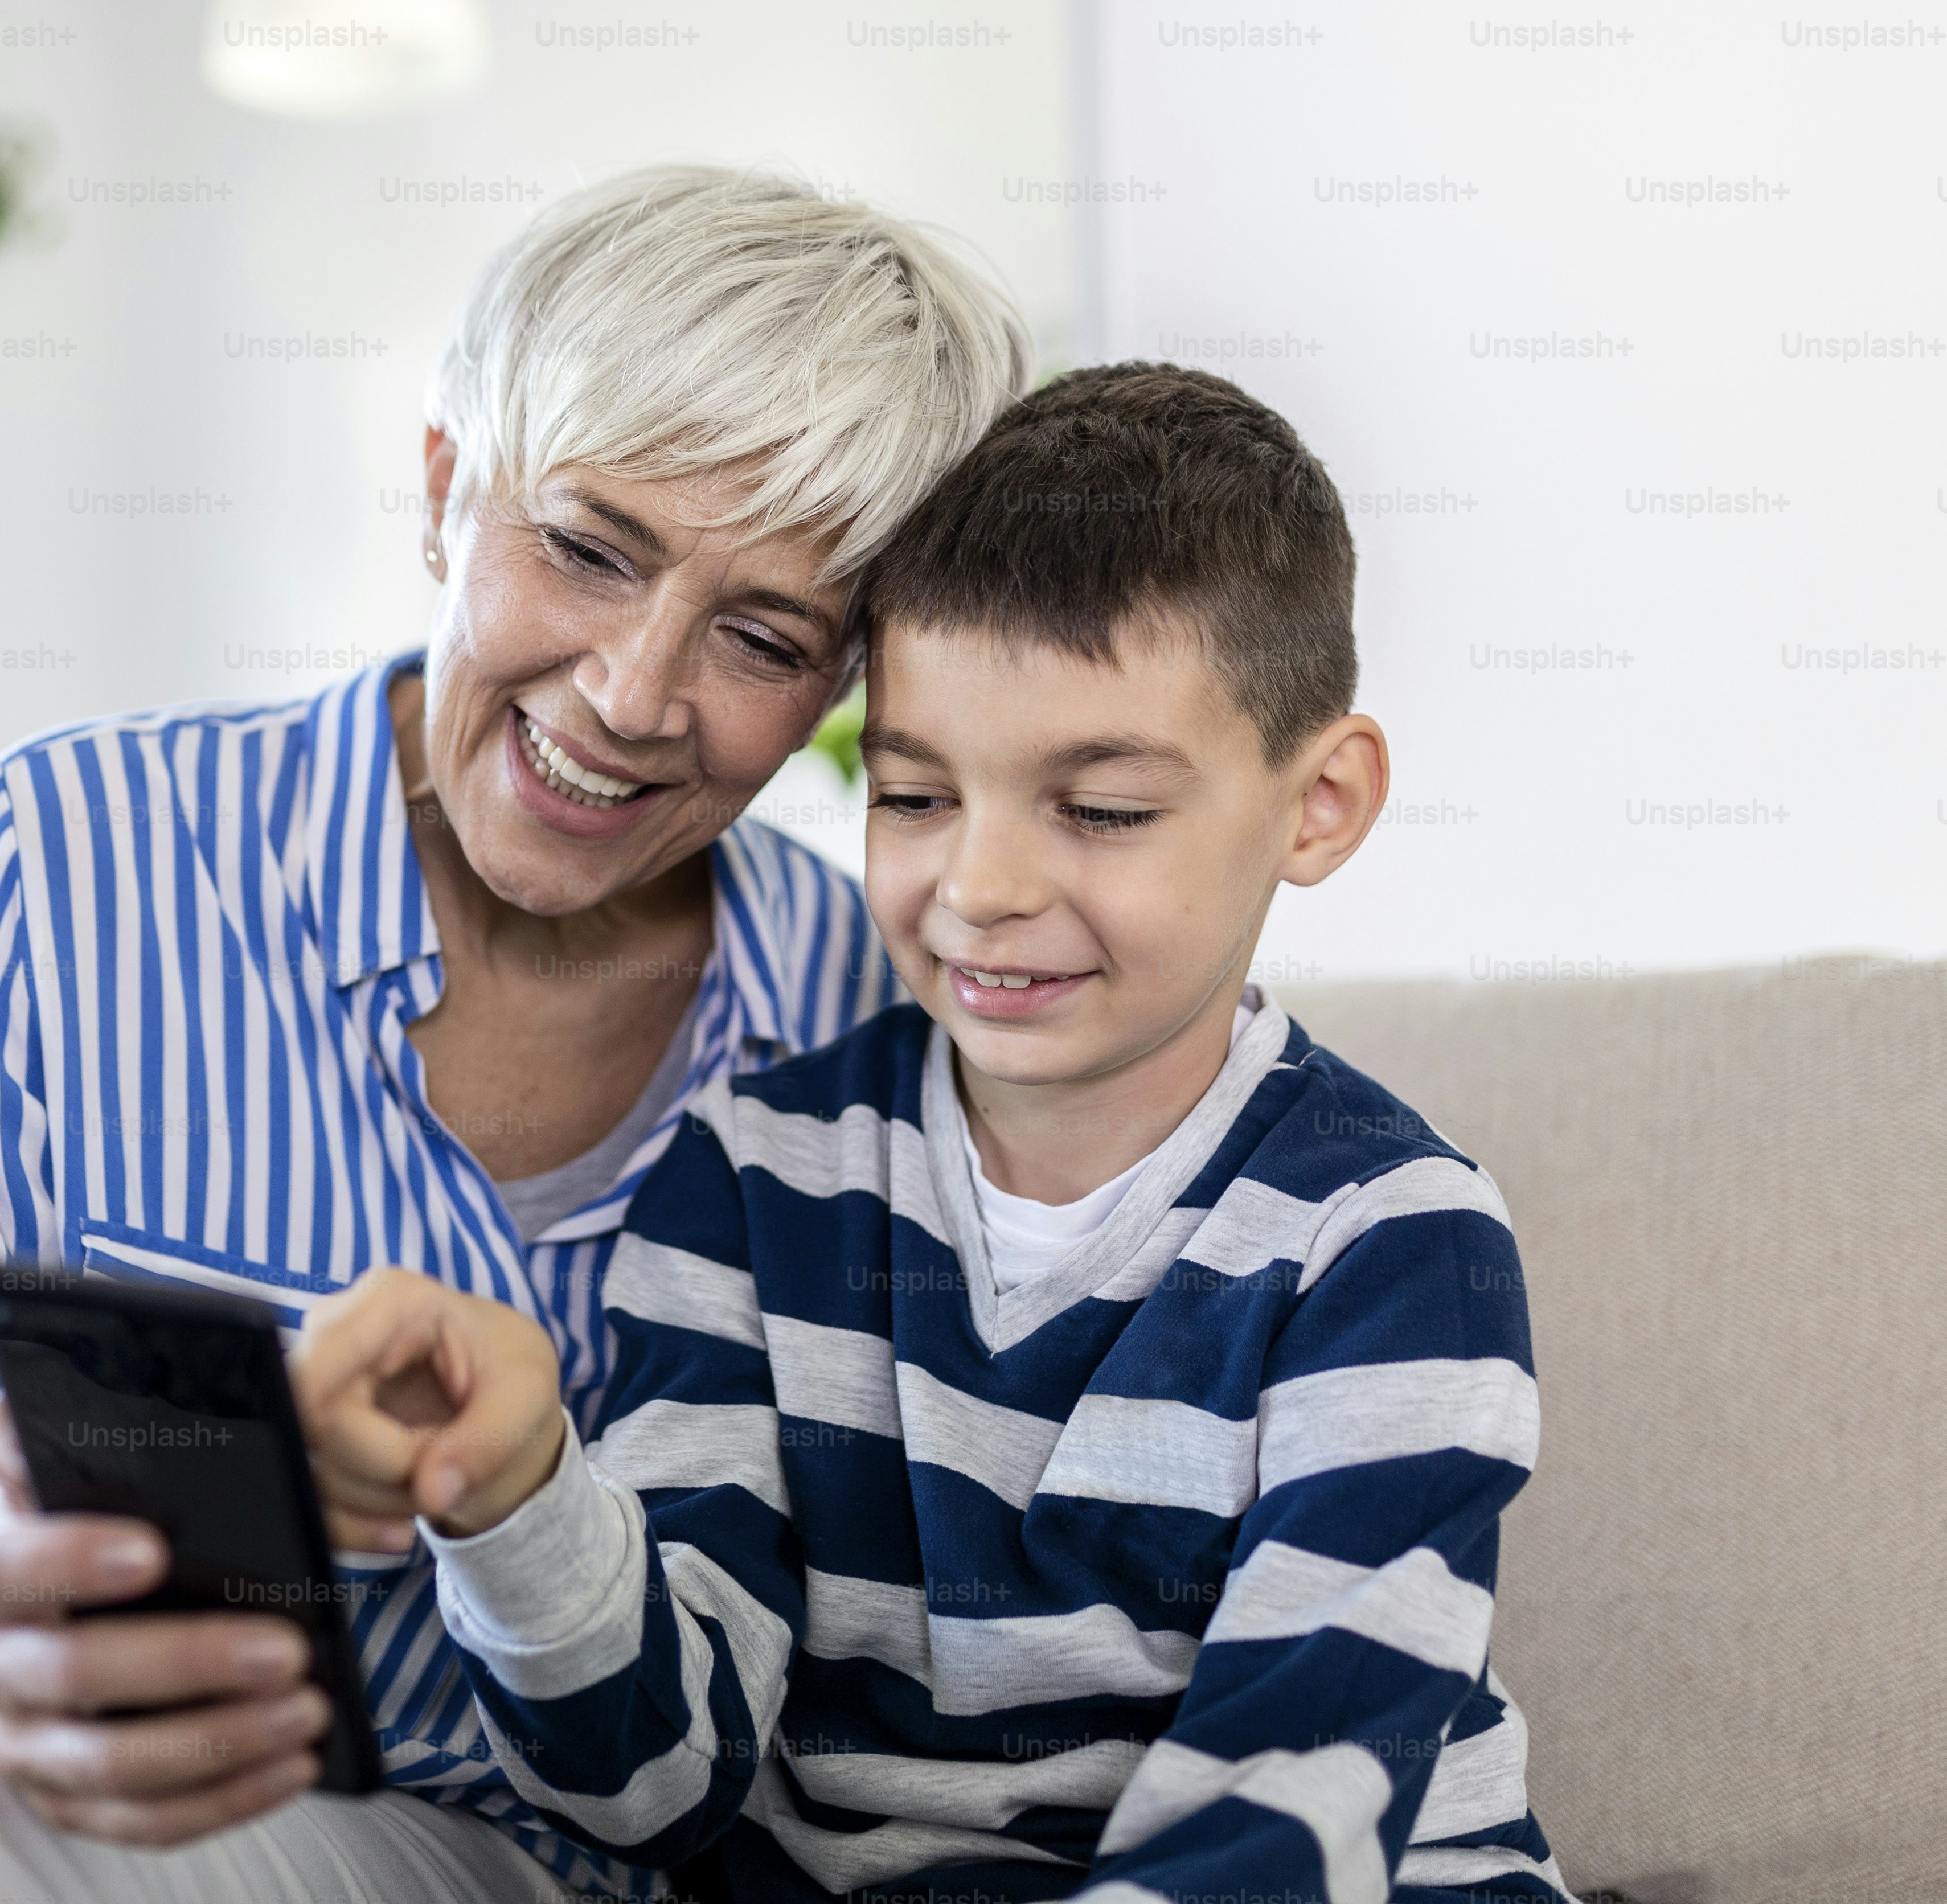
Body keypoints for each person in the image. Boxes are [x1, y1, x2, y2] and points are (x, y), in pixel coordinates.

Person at [0, 165, 1030, 1903]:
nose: (631, 693)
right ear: (447, 490)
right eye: (587, 549)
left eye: (761, 637)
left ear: (838, 687)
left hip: (467, 1815)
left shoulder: (841, 999)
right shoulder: (67, 856)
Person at [293, 362, 1577, 1903]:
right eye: (914, 797)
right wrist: (514, 1498)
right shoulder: (755, 1185)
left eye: (1100, 810)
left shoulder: (1390, 1245)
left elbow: (1287, 1816)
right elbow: (653, 1783)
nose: (982, 889)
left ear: (1320, 806)